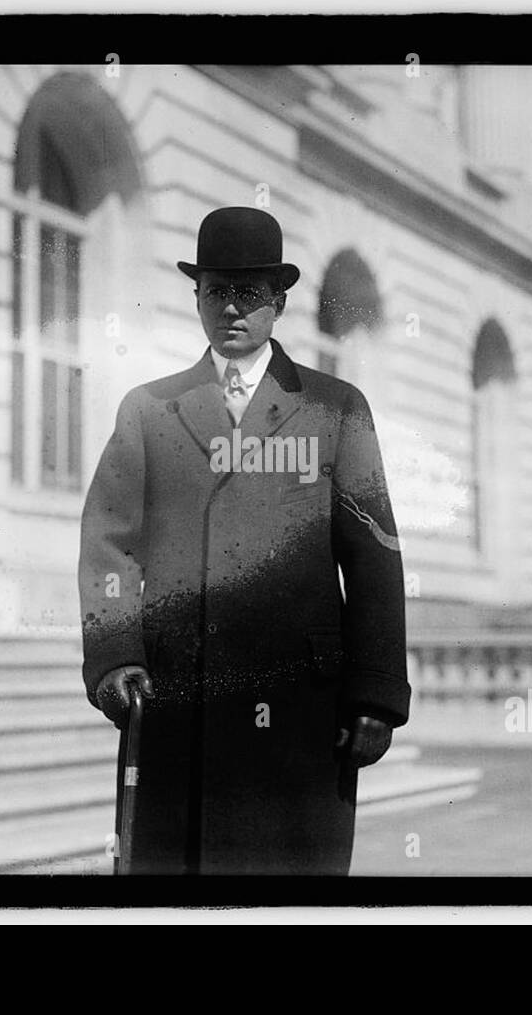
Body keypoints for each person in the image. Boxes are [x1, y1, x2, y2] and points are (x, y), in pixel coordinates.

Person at [78, 206, 409, 874]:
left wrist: (376, 693)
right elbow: (109, 545)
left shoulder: (336, 409)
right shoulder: (149, 410)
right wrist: (114, 655)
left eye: (250, 292)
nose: (231, 307)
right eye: (216, 290)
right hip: (178, 706)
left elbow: (373, 559)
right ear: (197, 297)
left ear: (280, 302)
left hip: (301, 715)